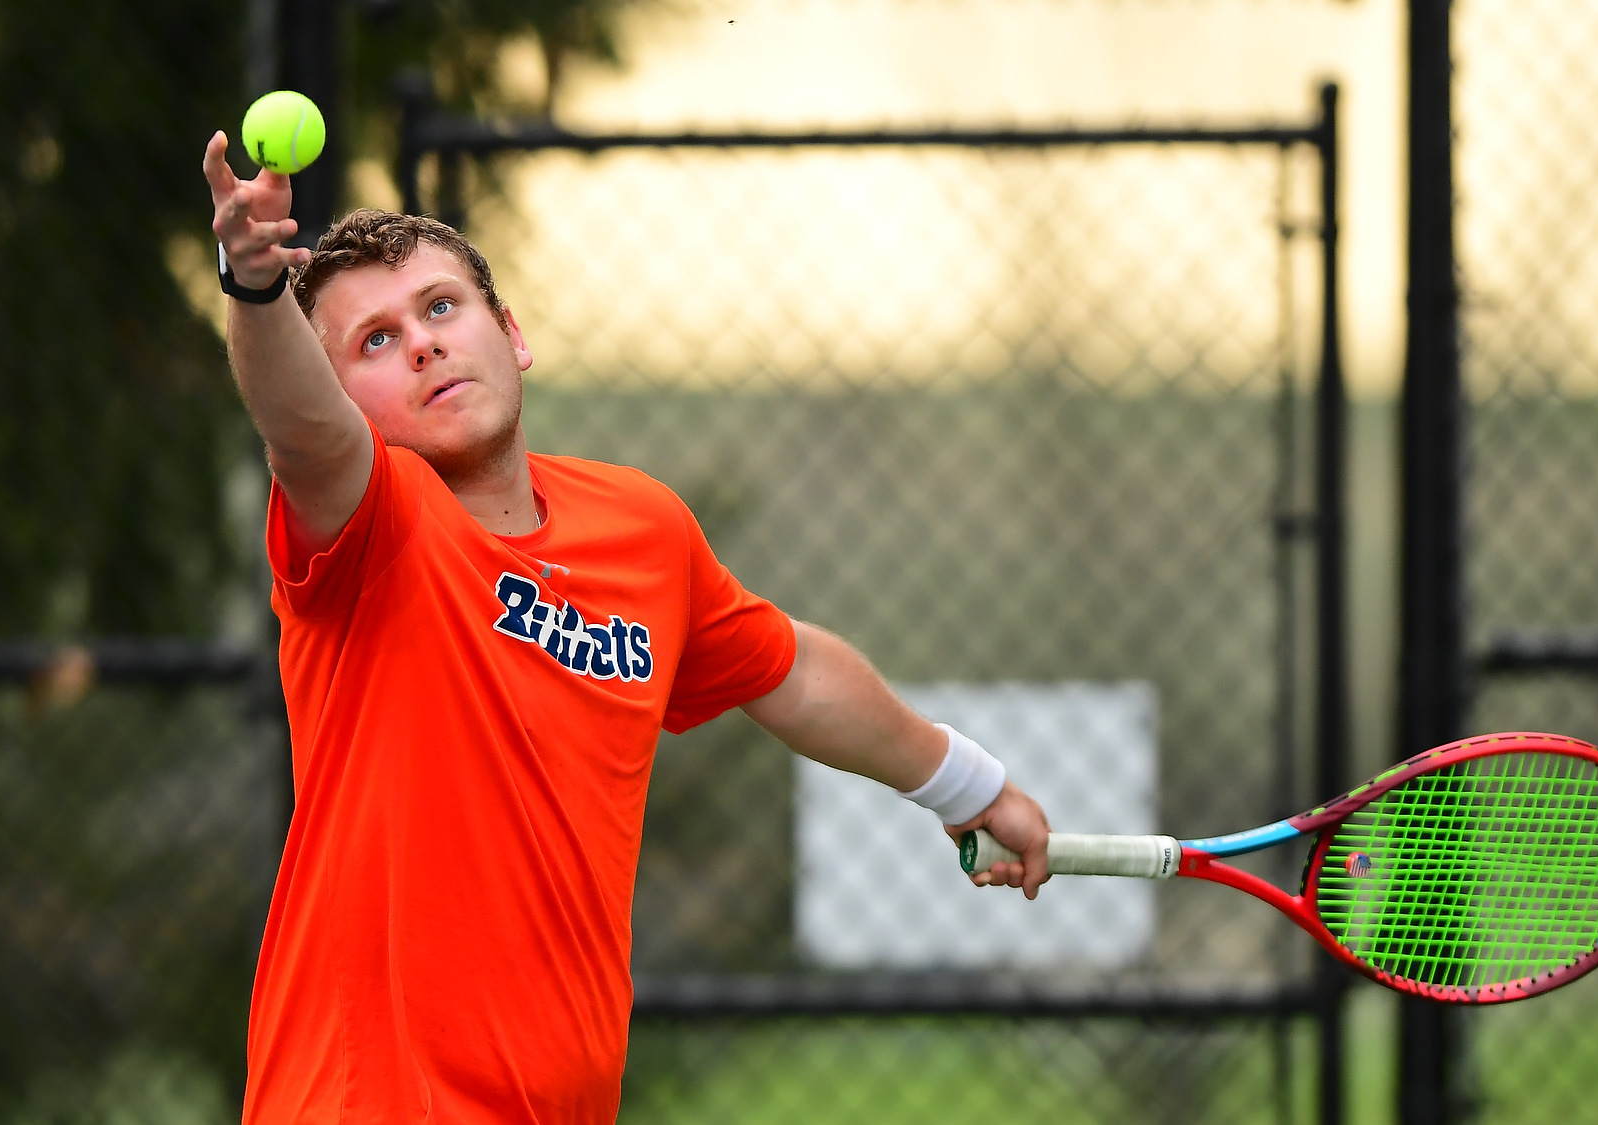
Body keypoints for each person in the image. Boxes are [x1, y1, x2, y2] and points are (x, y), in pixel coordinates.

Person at [202, 130, 1052, 1125]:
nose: (424, 341)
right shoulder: (370, 522)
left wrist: (967, 783)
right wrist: (255, 291)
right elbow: (298, 426)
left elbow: (794, 673)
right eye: (374, 341)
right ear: (344, 394)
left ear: (509, 334)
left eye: (441, 307)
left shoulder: (640, 530)